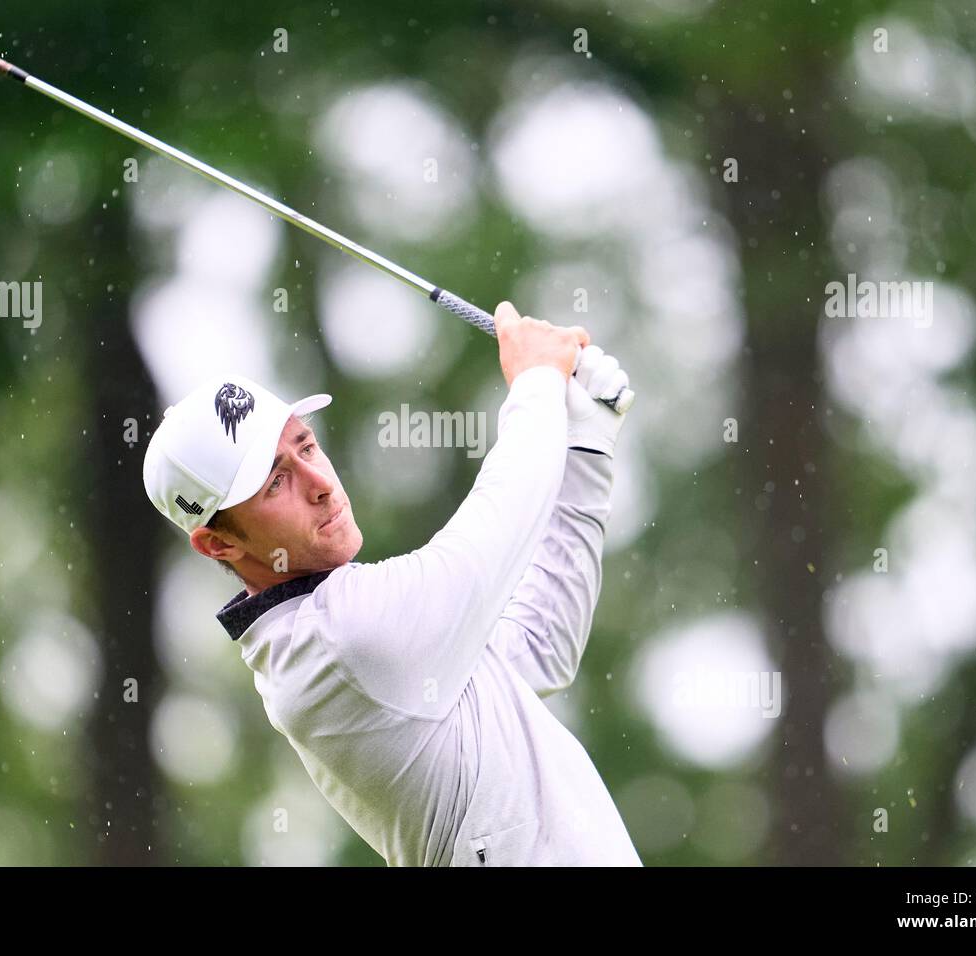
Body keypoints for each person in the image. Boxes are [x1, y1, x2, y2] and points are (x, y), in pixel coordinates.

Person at [142, 301, 640, 865]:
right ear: (218, 544)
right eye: (276, 481)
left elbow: (537, 649)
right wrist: (536, 383)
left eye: (306, 446)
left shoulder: (349, 635)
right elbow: (488, 542)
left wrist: (585, 445)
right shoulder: (338, 637)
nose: (320, 484)